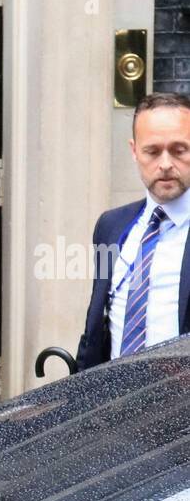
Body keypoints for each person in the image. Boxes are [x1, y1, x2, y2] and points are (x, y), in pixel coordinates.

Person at [76, 92, 190, 370]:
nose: (165, 164)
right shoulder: (110, 226)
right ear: (134, 151)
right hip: (114, 402)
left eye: (179, 150)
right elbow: (97, 323)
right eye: (152, 151)